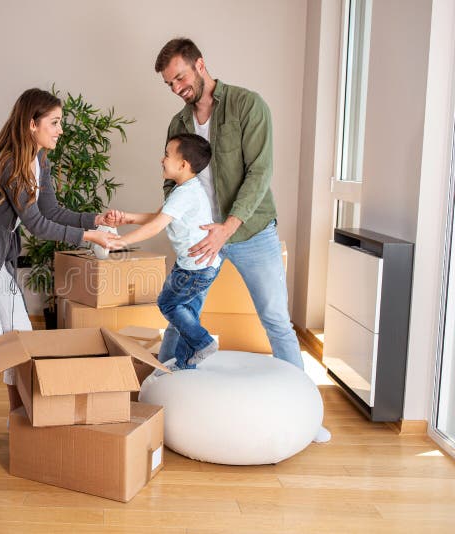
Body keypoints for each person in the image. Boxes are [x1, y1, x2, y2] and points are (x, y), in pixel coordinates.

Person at [153, 37, 331, 443]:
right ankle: (154, 406)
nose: (178, 88)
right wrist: (185, 233)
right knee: (179, 317)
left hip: (249, 231)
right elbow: (171, 183)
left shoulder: (248, 105)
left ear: (200, 65)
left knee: (275, 320)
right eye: (170, 84)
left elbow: (260, 172)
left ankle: (306, 414)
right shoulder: (179, 124)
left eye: (180, 77)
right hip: (200, 239)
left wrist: (227, 228)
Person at [0, 88, 121, 447]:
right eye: (54, 123)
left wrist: (94, 218)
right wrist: (89, 236)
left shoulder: (40, 161)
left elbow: (51, 212)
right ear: (31, 124)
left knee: (20, 341)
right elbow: (38, 225)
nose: (60, 130)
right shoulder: (11, 164)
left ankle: (18, 421)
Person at [112, 133, 219, 369]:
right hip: (204, 265)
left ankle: (203, 342)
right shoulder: (186, 189)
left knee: (168, 304)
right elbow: (159, 217)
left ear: (183, 165)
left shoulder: (183, 193)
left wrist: (120, 243)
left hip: (194, 269)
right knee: (187, 313)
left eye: (167, 155)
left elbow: (157, 226)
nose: (162, 159)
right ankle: (184, 364)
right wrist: (126, 218)